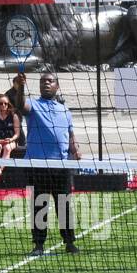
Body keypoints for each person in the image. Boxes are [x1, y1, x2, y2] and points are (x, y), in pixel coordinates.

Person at [21, 72, 81, 256]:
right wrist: (20, 87)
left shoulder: (65, 110)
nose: (46, 83)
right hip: (39, 166)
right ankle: (38, 245)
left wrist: (75, 148)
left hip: (62, 167)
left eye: (50, 81)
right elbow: (19, 105)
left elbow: (70, 136)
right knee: (40, 206)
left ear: (57, 86)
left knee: (64, 206)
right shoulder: (33, 105)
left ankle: (69, 242)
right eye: (43, 81)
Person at [0, 93, 20, 183]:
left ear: (8, 104)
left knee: (7, 148)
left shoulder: (14, 116)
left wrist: (10, 139)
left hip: (10, 140)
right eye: (0, 103)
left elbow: (17, 134)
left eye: (5, 103)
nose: (3, 105)